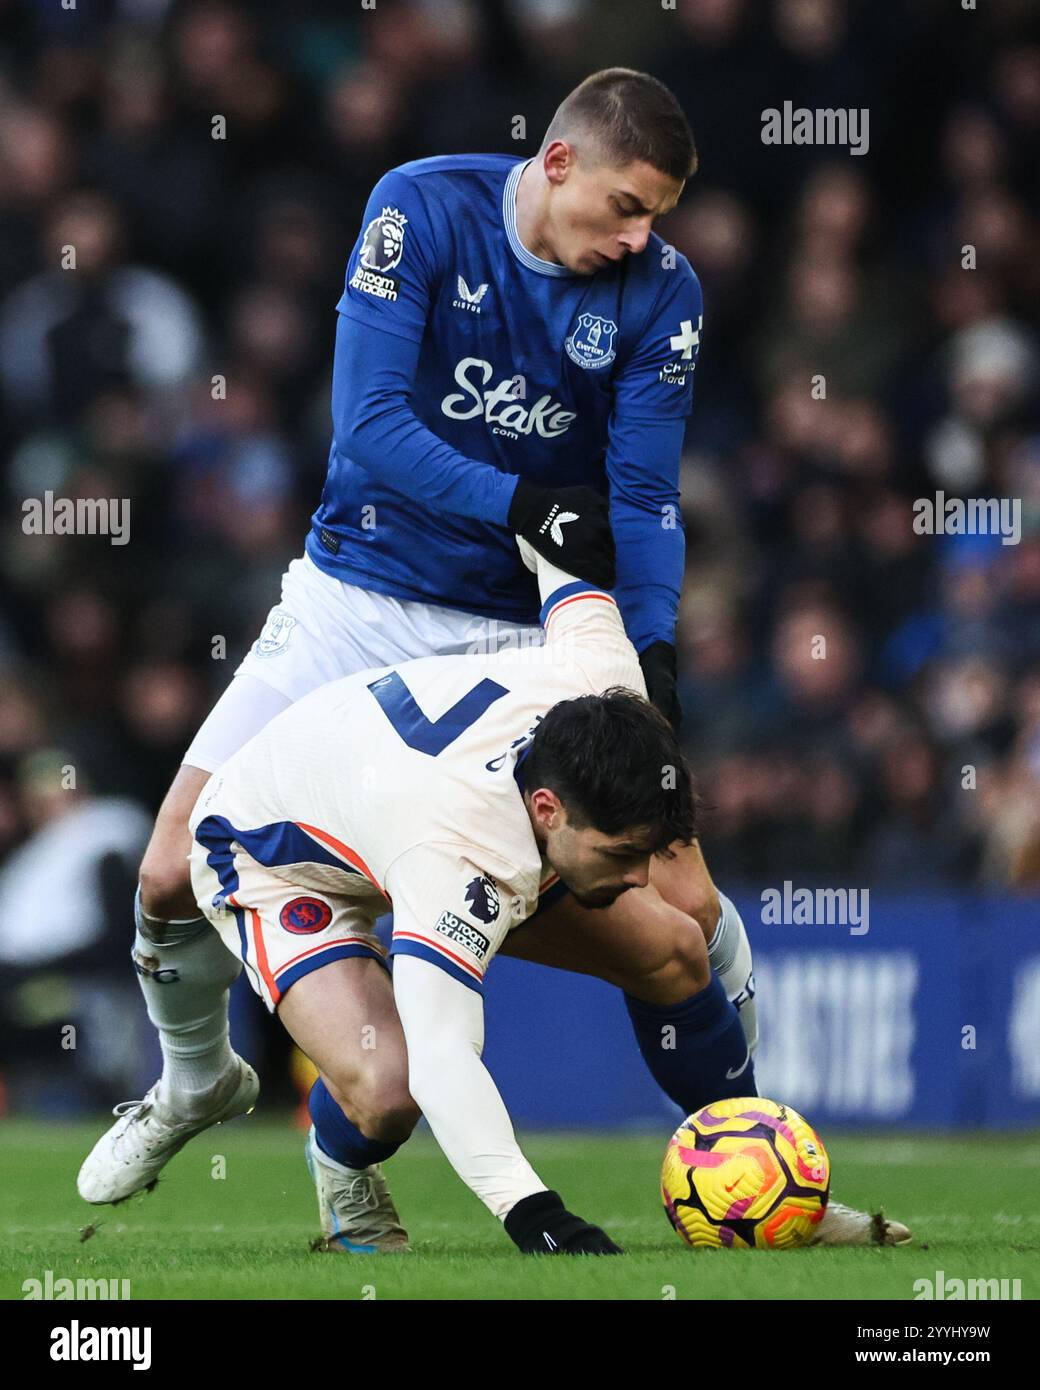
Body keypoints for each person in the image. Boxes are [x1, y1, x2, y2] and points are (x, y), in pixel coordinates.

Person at [77, 67, 908, 1247]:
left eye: (659, 214)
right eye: (626, 206)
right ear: (557, 164)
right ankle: (193, 1082)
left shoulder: (661, 292)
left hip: (528, 631)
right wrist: (520, 501)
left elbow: (642, 498)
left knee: (682, 907)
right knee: (168, 871)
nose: (641, 237)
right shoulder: (419, 208)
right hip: (359, 597)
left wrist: (651, 653)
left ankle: (751, 1166)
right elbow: (368, 425)